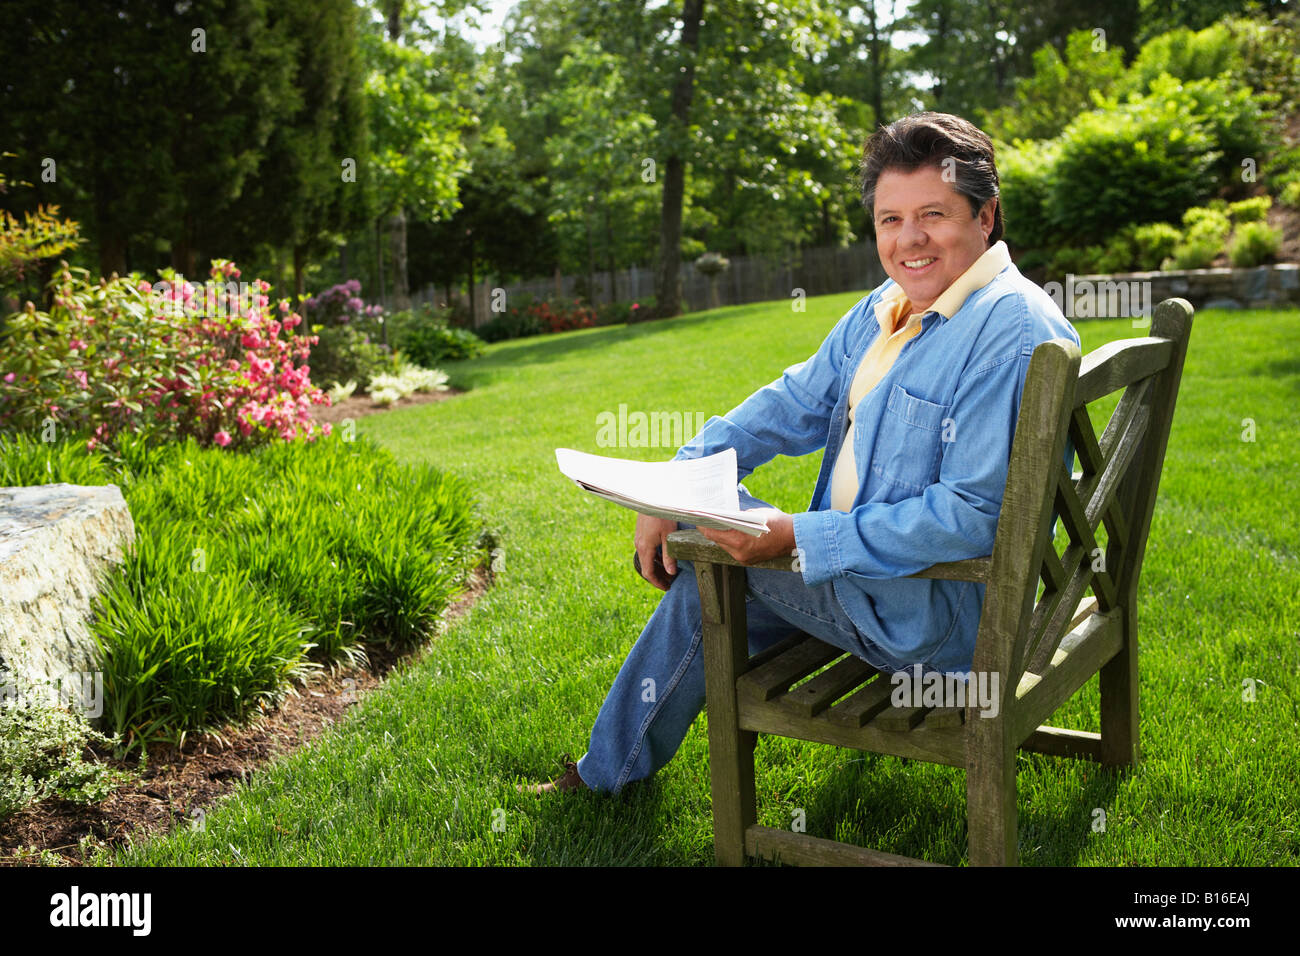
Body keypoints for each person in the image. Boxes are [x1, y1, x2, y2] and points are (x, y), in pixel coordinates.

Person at [520, 111, 1080, 795]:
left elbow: (974, 516)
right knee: (708, 537)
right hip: (889, 587)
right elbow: (793, 403)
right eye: (890, 220)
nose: (909, 239)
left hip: (934, 620)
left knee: (709, 565)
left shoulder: (1008, 329)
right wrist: (673, 480)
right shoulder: (889, 306)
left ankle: (606, 777)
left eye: (933, 214)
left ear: (985, 216)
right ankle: (612, 769)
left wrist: (798, 537)